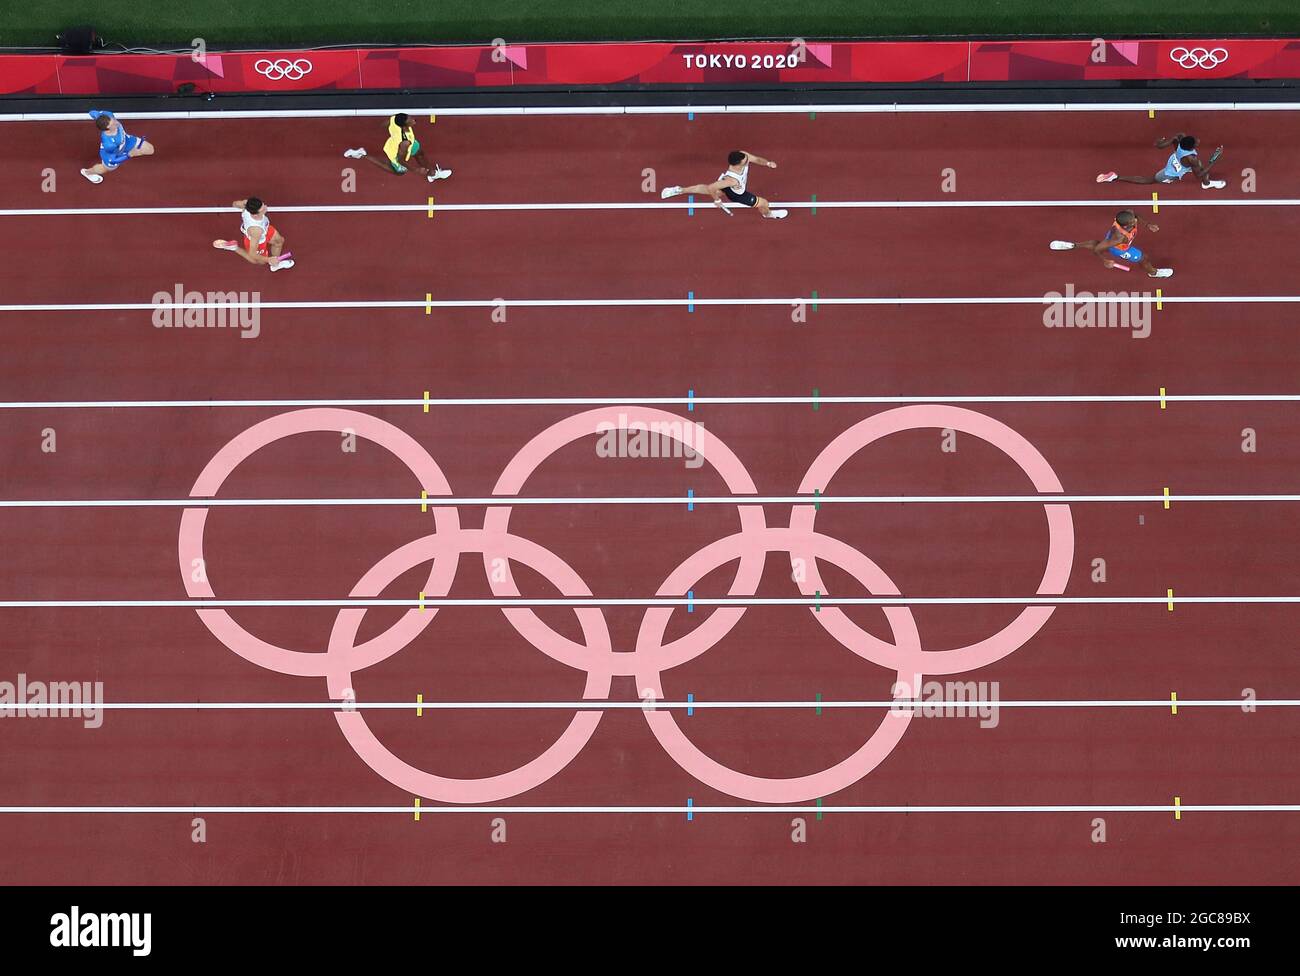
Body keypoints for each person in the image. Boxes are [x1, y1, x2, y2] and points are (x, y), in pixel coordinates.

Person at [659, 150, 789, 218]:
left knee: (706, 189)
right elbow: (712, 187)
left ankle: (679, 190)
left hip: (729, 185)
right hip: (737, 194)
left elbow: (757, 159)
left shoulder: (743, 155)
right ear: (737, 164)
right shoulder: (731, 179)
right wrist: (716, 200)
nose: (748, 160)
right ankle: (768, 214)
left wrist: (767, 163)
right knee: (764, 203)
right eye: (745, 160)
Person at [1050, 209, 1173, 278]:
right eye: (1132, 221)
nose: (1135, 221)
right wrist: (1104, 260)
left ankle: (1072, 245)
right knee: (1143, 258)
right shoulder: (1118, 238)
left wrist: (1147, 224)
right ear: (1126, 225)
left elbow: (1135, 215)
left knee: (1099, 243)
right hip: (1120, 249)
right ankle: (1154, 273)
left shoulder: (1128, 217)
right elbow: (1097, 250)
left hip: (1111, 238)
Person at [344, 113, 451, 182]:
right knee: (399, 172)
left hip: (407, 142)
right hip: (397, 152)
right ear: (404, 125)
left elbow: (385, 123)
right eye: (410, 120)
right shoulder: (405, 143)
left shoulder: (395, 119)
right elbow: (400, 160)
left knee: (419, 153)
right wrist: (416, 170)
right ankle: (362, 155)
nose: (413, 120)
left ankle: (431, 174)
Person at [1096, 133, 1226, 189]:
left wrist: (1159, 143)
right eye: (1196, 142)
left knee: (1201, 167)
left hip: (1175, 158)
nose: (1198, 140)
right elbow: (1199, 175)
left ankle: (1207, 183)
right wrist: (1214, 159)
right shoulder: (1192, 160)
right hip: (1171, 173)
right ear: (1192, 147)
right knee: (1149, 180)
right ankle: (1115, 177)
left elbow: (1161, 145)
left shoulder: (1179, 138)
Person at [211, 197, 295, 271]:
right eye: (262, 209)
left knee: (279, 241)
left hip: (265, 228)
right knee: (259, 261)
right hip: (258, 238)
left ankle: (275, 265)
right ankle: (234, 248)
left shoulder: (247, 204)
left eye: (263, 205)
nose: (265, 208)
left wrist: (241, 203)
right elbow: (252, 253)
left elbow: (234, 204)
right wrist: (269, 259)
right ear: (255, 215)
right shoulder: (256, 231)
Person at [79, 109, 155, 184]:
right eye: (113, 124)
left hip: (127, 141)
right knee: (104, 168)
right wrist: (130, 154)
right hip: (113, 154)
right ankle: (88, 172)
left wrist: (92, 113)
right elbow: (113, 160)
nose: (117, 123)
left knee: (150, 150)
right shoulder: (109, 144)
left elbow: (94, 113)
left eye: (114, 120)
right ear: (107, 129)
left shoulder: (107, 115)